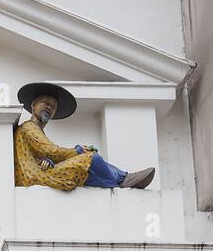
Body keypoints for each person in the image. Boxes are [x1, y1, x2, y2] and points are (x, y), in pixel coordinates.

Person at [14, 81, 155, 192]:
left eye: (53, 106)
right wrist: (78, 150)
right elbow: (51, 151)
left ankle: (122, 178)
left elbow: (44, 155)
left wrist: (47, 160)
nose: (49, 108)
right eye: (46, 103)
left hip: (39, 173)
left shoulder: (36, 130)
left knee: (88, 164)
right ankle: (122, 180)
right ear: (33, 105)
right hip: (34, 177)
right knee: (91, 158)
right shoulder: (28, 127)